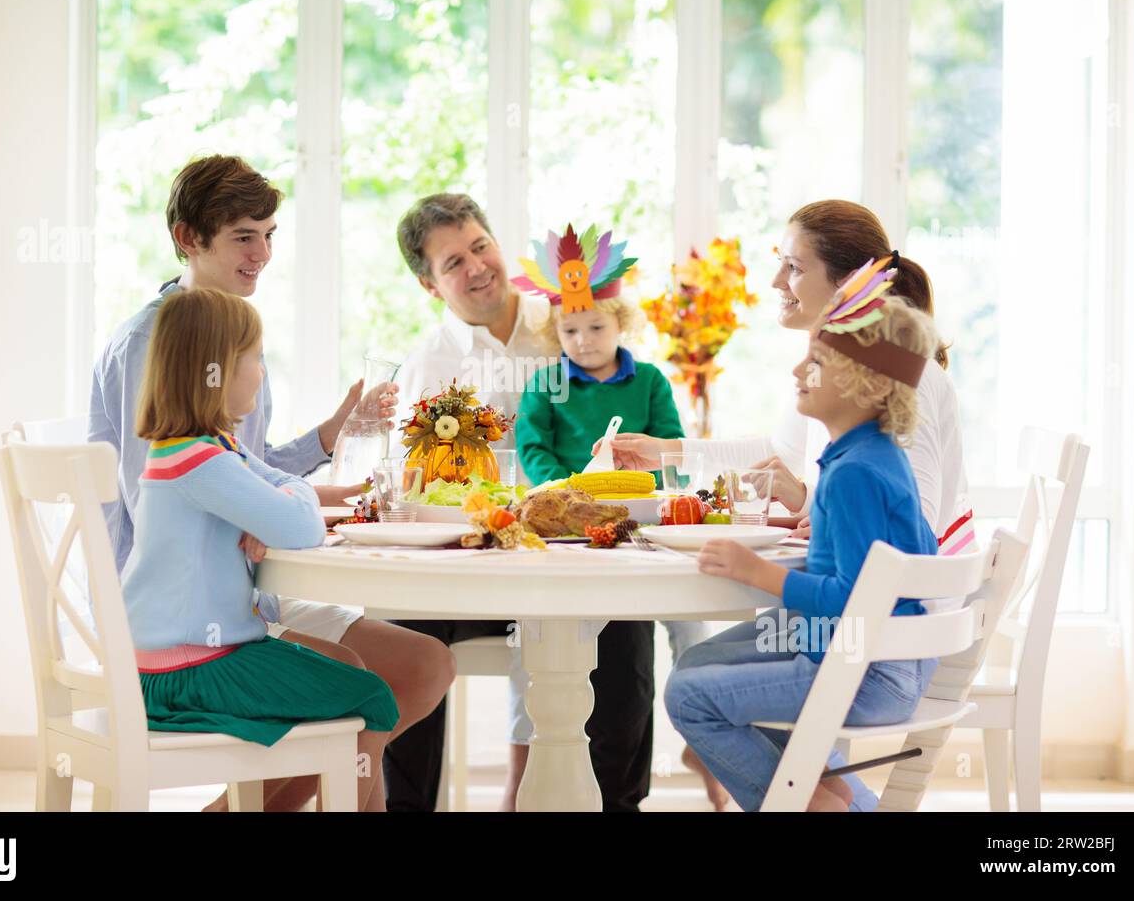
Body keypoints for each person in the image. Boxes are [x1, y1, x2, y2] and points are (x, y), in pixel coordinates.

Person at [89, 155, 454, 811]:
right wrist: (268, 513)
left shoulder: (222, 333)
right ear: (188, 239)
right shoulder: (162, 342)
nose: (261, 252)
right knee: (360, 689)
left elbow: (243, 469)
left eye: (268, 233)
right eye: (242, 236)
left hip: (247, 594)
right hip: (187, 616)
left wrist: (332, 434)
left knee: (424, 667)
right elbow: (161, 502)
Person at [385, 193, 656, 812]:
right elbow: (415, 476)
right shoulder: (431, 362)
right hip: (471, 565)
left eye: (481, 246)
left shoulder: (563, 323)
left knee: (626, 623)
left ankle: (620, 804)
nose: (476, 267)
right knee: (403, 627)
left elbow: (628, 394)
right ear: (430, 285)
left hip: (568, 552)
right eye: (453, 262)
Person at [666, 272, 942, 812]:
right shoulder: (868, 456)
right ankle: (835, 795)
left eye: (816, 362)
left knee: (688, 696)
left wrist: (756, 572)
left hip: (868, 670)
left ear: (868, 385)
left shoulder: (855, 473)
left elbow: (852, 600)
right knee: (696, 662)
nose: (797, 369)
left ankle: (806, 804)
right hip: (874, 653)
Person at [123, 287, 399, 811]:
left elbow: (284, 487)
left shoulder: (200, 449)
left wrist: (287, 501)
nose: (263, 372)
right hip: (192, 673)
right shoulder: (202, 462)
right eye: (254, 358)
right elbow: (300, 524)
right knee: (371, 697)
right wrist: (285, 505)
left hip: (173, 664)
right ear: (216, 371)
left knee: (347, 663)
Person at [604, 199, 974, 556]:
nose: (775, 281)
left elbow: (915, 528)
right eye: (779, 263)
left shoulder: (901, 373)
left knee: (760, 619)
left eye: (794, 267)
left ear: (849, 281)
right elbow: (782, 454)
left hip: (893, 614)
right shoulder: (840, 367)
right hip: (852, 601)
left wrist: (814, 506)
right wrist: (668, 452)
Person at [512, 225, 718, 806]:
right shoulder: (546, 382)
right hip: (564, 535)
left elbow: (671, 444)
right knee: (573, 654)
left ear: (620, 325)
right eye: (569, 331)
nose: (582, 340)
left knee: (631, 663)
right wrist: (569, 488)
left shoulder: (649, 380)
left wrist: (629, 479)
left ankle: (624, 795)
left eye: (595, 327)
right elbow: (533, 450)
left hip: (633, 530)